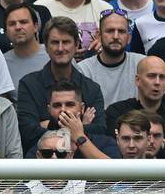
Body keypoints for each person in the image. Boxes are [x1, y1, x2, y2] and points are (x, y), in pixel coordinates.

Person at [15, 16, 107, 153]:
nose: (60, 48)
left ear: (76, 45)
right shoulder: (28, 84)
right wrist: (79, 127)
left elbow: (100, 132)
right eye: (55, 42)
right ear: (46, 47)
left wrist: (48, 124)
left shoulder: (91, 88)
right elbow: (28, 133)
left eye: (66, 42)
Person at [104, 56, 165, 158]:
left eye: (162, 77)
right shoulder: (116, 112)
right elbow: (111, 149)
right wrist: (161, 145)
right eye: (151, 76)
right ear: (138, 80)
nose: (157, 82)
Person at [75, 9, 144, 109]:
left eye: (121, 31)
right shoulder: (83, 70)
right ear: (99, 35)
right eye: (110, 31)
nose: (116, 36)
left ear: (129, 38)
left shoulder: (141, 64)